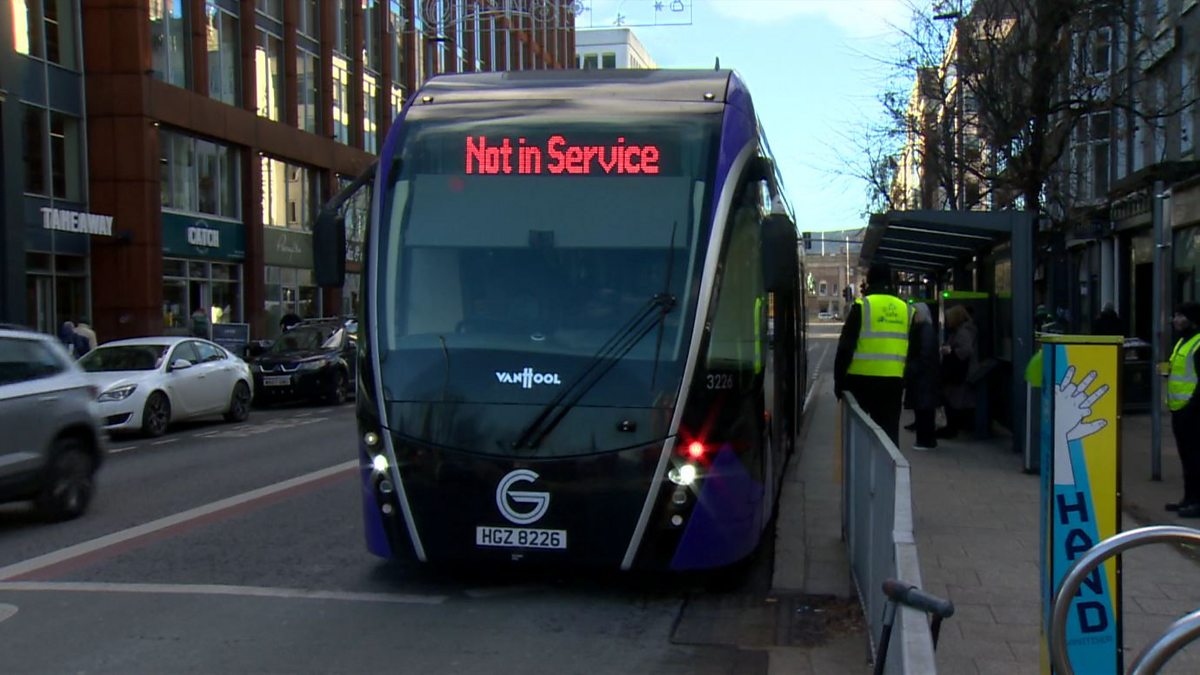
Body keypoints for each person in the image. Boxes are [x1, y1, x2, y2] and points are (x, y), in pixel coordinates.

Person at [834, 262, 910, 444]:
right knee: (889, 435)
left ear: (869, 281)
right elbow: (912, 349)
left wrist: (839, 382)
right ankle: (888, 472)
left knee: (857, 435)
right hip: (893, 382)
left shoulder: (862, 306)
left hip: (859, 382)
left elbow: (845, 347)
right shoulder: (906, 309)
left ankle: (860, 471)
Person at [1165, 302, 1200, 517]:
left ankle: (1196, 502)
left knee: (1196, 458)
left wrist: (1192, 406)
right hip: (1180, 409)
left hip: (1193, 411)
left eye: (1180, 316)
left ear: (1192, 319)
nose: (1175, 320)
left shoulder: (1197, 343)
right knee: (1187, 458)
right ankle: (1188, 498)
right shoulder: (1182, 342)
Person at [937, 304, 979, 439]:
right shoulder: (964, 330)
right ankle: (954, 426)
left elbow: (966, 350)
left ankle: (952, 428)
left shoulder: (963, 332)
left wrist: (951, 351)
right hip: (961, 371)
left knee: (953, 399)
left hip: (960, 371)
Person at [903, 302, 941, 451]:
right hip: (925, 377)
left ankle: (926, 440)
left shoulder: (924, 331)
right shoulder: (925, 330)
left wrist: (912, 369)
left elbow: (924, 355)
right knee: (923, 409)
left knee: (924, 409)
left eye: (915, 314)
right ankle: (925, 439)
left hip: (924, 378)